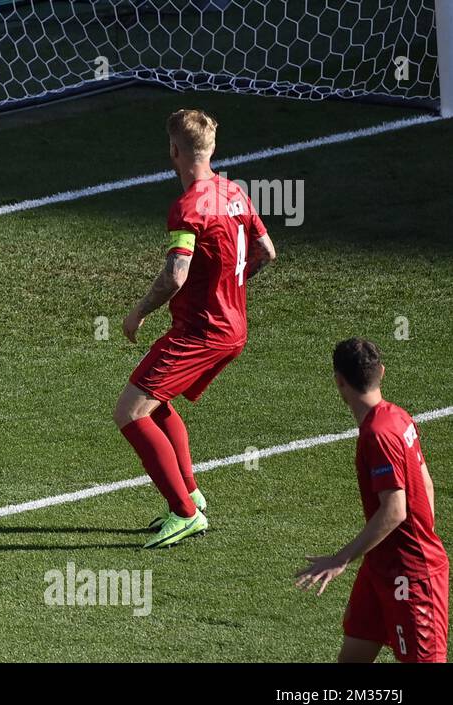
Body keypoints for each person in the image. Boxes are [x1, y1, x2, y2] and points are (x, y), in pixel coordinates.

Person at [115, 108, 276, 548]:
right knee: (157, 401)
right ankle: (191, 494)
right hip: (231, 327)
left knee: (130, 412)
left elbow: (176, 275)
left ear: (173, 151)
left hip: (203, 332)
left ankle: (184, 513)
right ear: (211, 149)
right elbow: (265, 251)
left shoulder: (187, 209)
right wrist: (229, 289)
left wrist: (138, 313)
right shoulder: (235, 193)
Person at [294, 338, 448, 663]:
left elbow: (394, 509)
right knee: (353, 655)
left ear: (339, 380)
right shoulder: (398, 416)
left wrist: (340, 559)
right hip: (382, 566)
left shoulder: (378, 434)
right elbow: (426, 484)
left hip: (411, 575)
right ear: (381, 371)